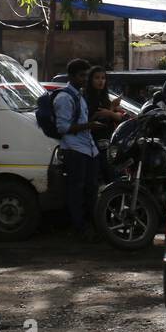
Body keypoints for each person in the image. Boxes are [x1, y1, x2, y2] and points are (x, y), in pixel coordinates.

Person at [54, 58, 118, 238]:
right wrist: (89, 126)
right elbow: (63, 127)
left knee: (91, 189)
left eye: (86, 75)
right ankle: (79, 228)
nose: (85, 79)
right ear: (72, 76)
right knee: (77, 190)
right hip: (75, 149)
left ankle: (91, 226)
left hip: (89, 149)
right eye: (82, 76)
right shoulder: (65, 97)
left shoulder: (79, 96)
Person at [85, 65, 122, 182]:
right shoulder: (86, 98)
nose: (101, 81)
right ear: (90, 80)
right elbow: (97, 118)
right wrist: (110, 110)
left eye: (103, 78)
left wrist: (111, 111)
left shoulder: (104, 97)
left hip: (109, 143)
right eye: (97, 78)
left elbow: (117, 117)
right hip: (94, 144)